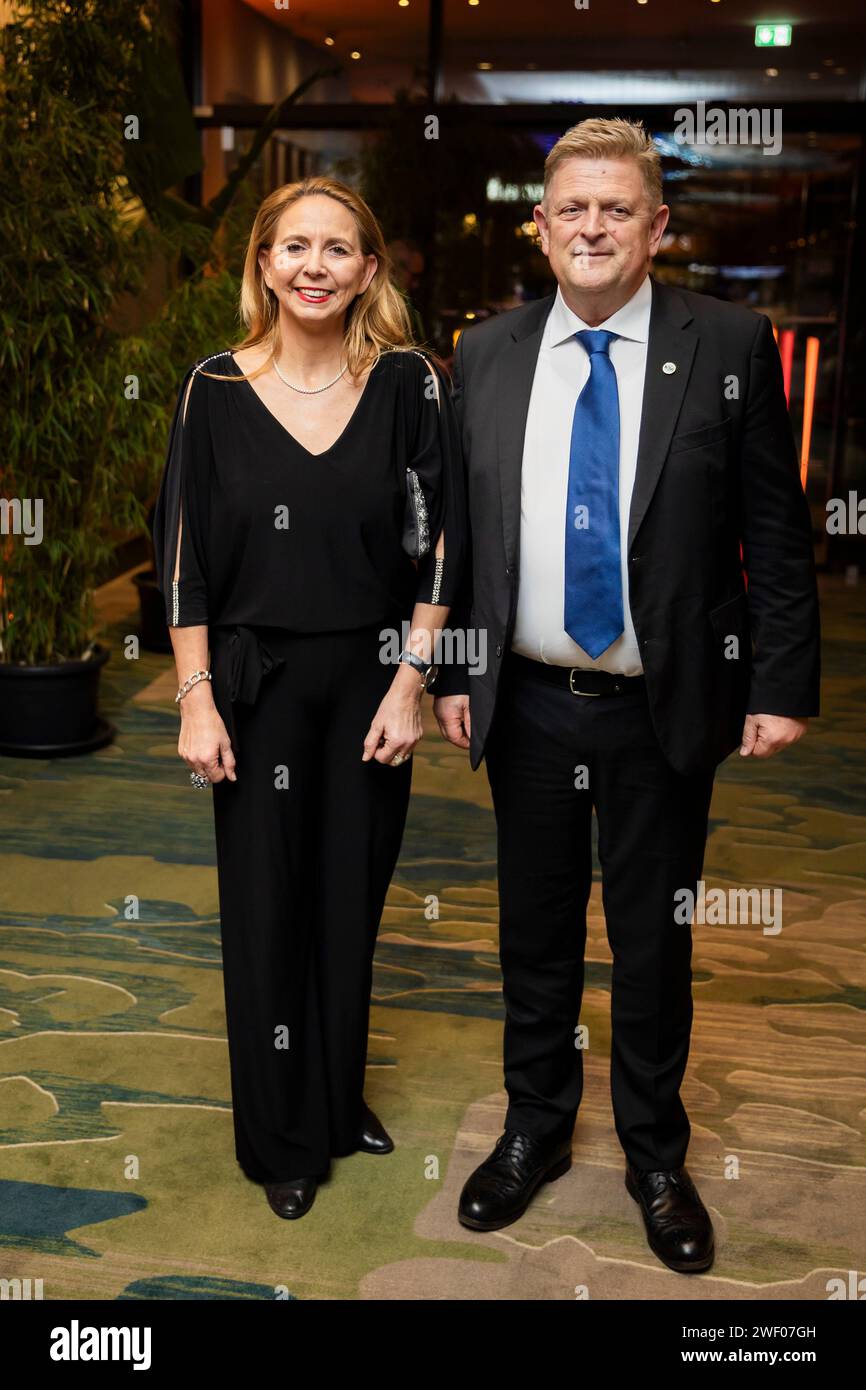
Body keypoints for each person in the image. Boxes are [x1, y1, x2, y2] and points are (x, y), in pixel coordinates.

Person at [432, 118, 820, 1273]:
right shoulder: (486, 351)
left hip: (665, 706)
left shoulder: (730, 342)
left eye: (616, 209)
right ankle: (533, 1133)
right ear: (540, 227)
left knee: (653, 944)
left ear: (657, 227)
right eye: (571, 208)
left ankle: (654, 1154)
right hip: (532, 702)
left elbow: (775, 533)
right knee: (534, 937)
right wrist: (458, 671)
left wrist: (779, 681)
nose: (591, 226)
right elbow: (459, 537)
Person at [152, 176, 466, 1220]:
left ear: (370, 270)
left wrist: (413, 681)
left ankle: (334, 1101)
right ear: (264, 264)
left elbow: (437, 550)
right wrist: (196, 699)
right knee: (267, 909)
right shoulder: (212, 388)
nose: (315, 266)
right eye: (295, 247)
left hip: (374, 683)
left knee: (348, 899)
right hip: (256, 685)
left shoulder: (410, 385)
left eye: (339, 248)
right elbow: (184, 562)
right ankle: (282, 1136)